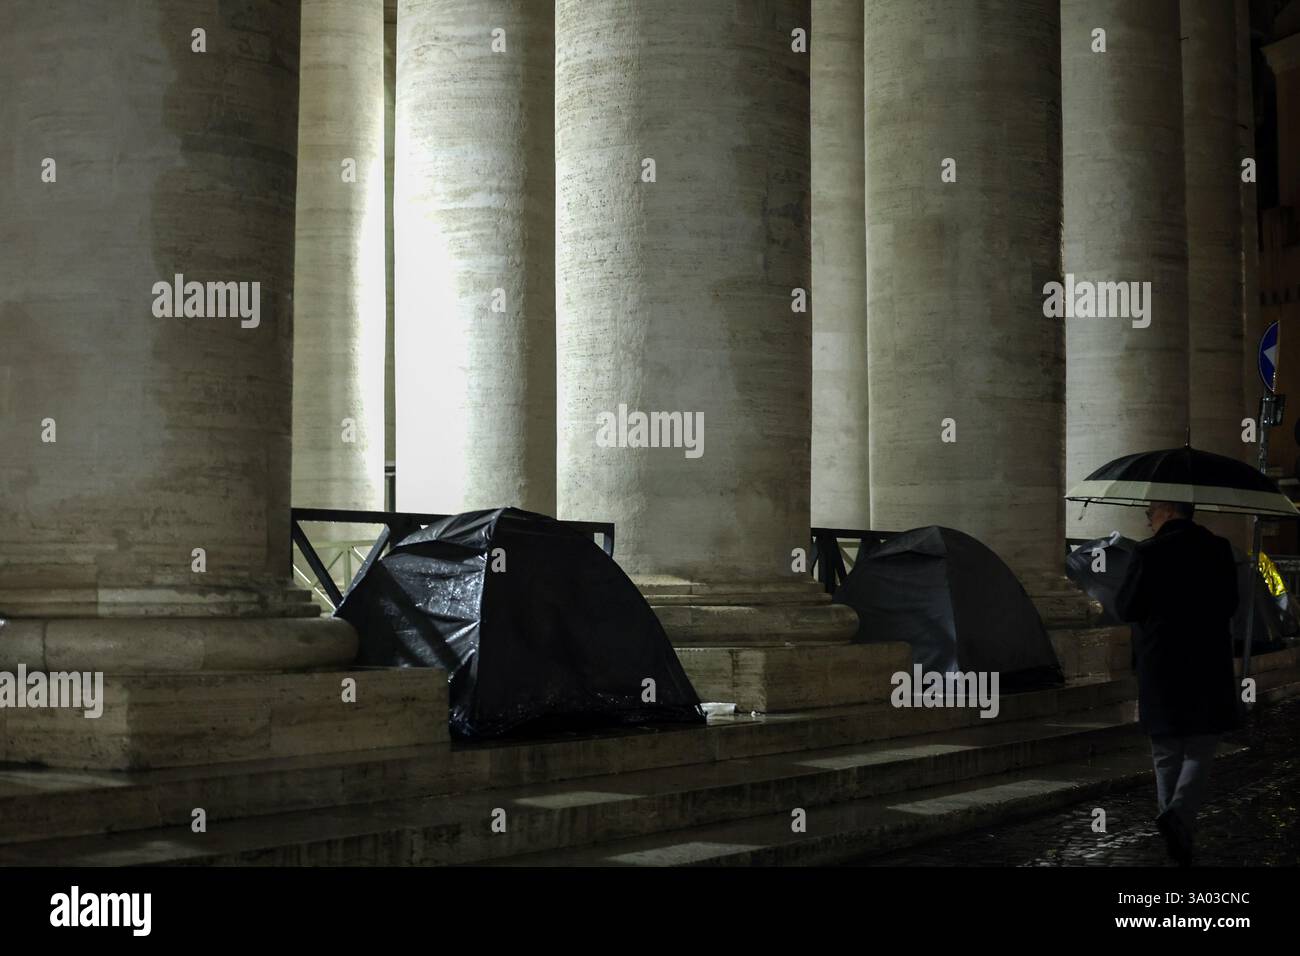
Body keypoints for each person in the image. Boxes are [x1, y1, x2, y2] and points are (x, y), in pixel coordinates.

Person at [1114, 500, 1239, 866]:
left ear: (1167, 511)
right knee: (1201, 746)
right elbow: (1230, 603)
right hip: (1207, 659)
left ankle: (1174, 821)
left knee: (1166, 750)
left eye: (1150, 512)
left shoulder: (1148, 551)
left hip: (1161, 660)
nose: (1148, 520)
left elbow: (1127, 608)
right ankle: (1179, 818)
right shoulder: (1218, 549)